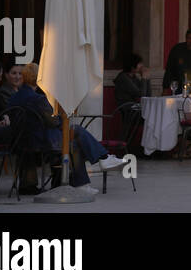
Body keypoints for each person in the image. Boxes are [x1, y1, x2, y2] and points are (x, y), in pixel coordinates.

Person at [12, 63, 125, 195]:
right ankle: (97, 165)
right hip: (39, 142)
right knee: (74, 139)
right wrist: (60, 115)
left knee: (74, 135)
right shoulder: (37, 99)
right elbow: (55, 122)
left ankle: (100, 162)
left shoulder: (15, 96)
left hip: (20, 141)